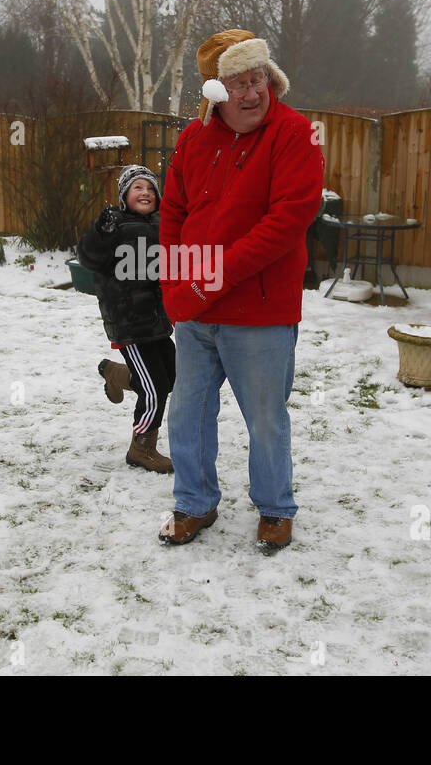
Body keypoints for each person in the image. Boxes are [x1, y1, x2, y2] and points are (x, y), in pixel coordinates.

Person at [156, 29, 324, 552]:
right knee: (188, 412)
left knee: (266, 418)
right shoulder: (192, 139)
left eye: (258, 80)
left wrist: (211, 277)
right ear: (215, 92)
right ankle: (194, 501)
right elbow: (173, 213)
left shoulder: (295, 134)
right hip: (196, 313)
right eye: (238, 84)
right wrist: (172, 282)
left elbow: (288, 220)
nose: (252, 93)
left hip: (261, 313)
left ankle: (275, 508)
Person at [77, 166, 176, 473]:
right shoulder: (114, 227)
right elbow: (88, 256)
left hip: (157, 321)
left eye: (150, 188)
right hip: (130, 324)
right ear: (124, 197)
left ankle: (117, 375)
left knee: (170, 376)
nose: (145, 192)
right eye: (137, 188)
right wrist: (100, 231)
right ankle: (141, 448)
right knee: (154, 389)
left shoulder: (161, 226)